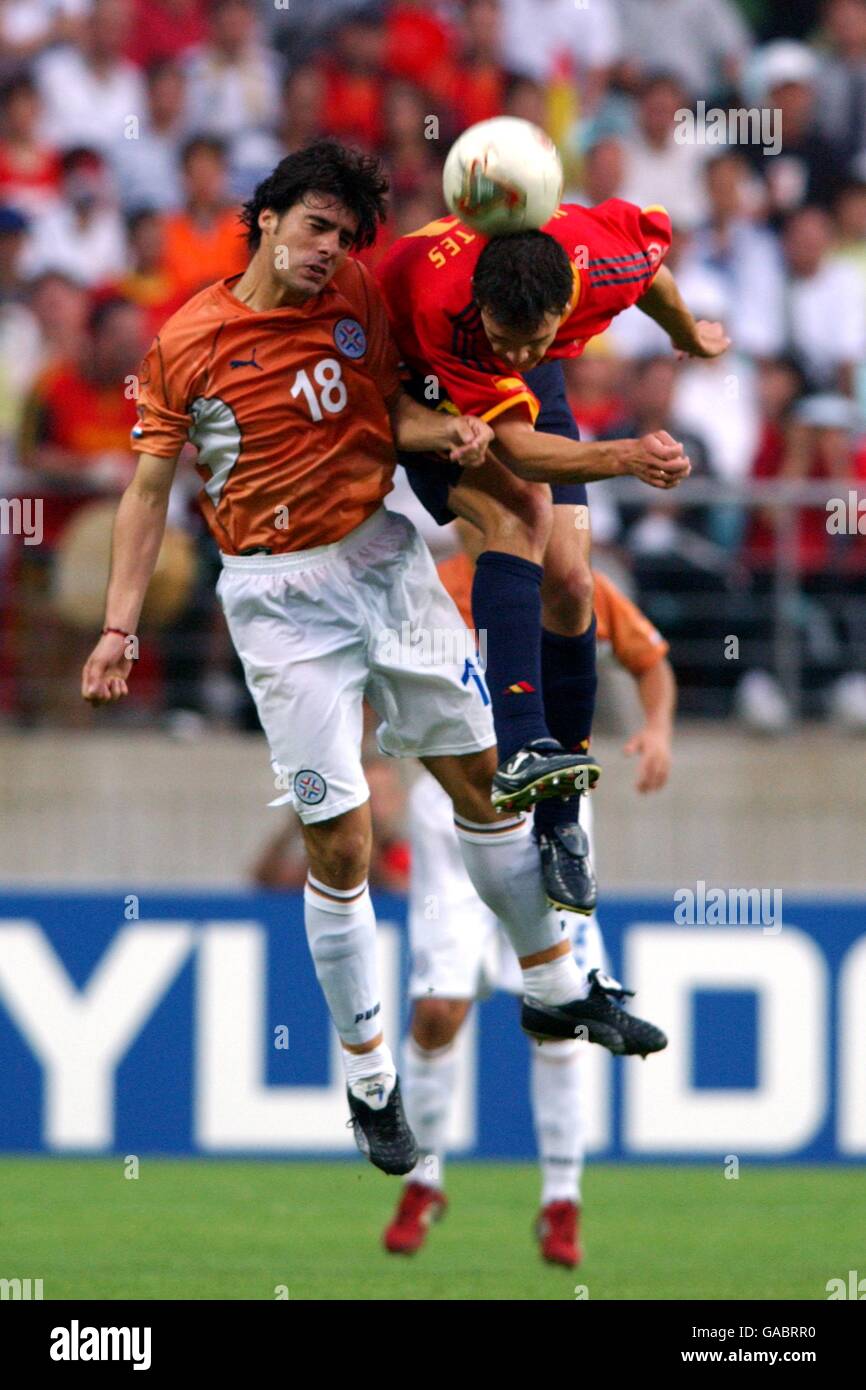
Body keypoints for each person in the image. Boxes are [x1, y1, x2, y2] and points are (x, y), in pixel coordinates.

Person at [81, 142, 668, 1180]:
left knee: (485, 786)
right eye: (313, 226)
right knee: (343, 845)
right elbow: (145, 491)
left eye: (345, 235)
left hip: (383, 558)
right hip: (280, 601)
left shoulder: (363, 293)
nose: (329, 251)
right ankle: (367, 1081)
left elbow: (389, 408)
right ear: (266, 218)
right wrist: (120, 627)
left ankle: (557, 984)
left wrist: (447, 426)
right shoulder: (189, 341)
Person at [376, 194, 727, 915]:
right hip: (428, 381)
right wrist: (625, 454)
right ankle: (522, 742)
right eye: (509, 337)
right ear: (485, 301)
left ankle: (561, 826)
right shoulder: (444, 305)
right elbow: (522, 451)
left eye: (534, 339)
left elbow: (652, 275)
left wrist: (688, 332)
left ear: (566, 300)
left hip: (524, 396)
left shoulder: (598, 263)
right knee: (523, 512)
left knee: (571, 583)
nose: (519, 353)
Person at [384, 533, 676, 1265]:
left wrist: (659, 730)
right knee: (437, 1009)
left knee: (557, 1020)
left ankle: (561, 1200)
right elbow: (377, 673)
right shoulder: (434, 586)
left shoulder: (571, 581)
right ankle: (423, 1178)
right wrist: (366, 763)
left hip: (552, 812)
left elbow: (649, 658)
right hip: (454, 813)